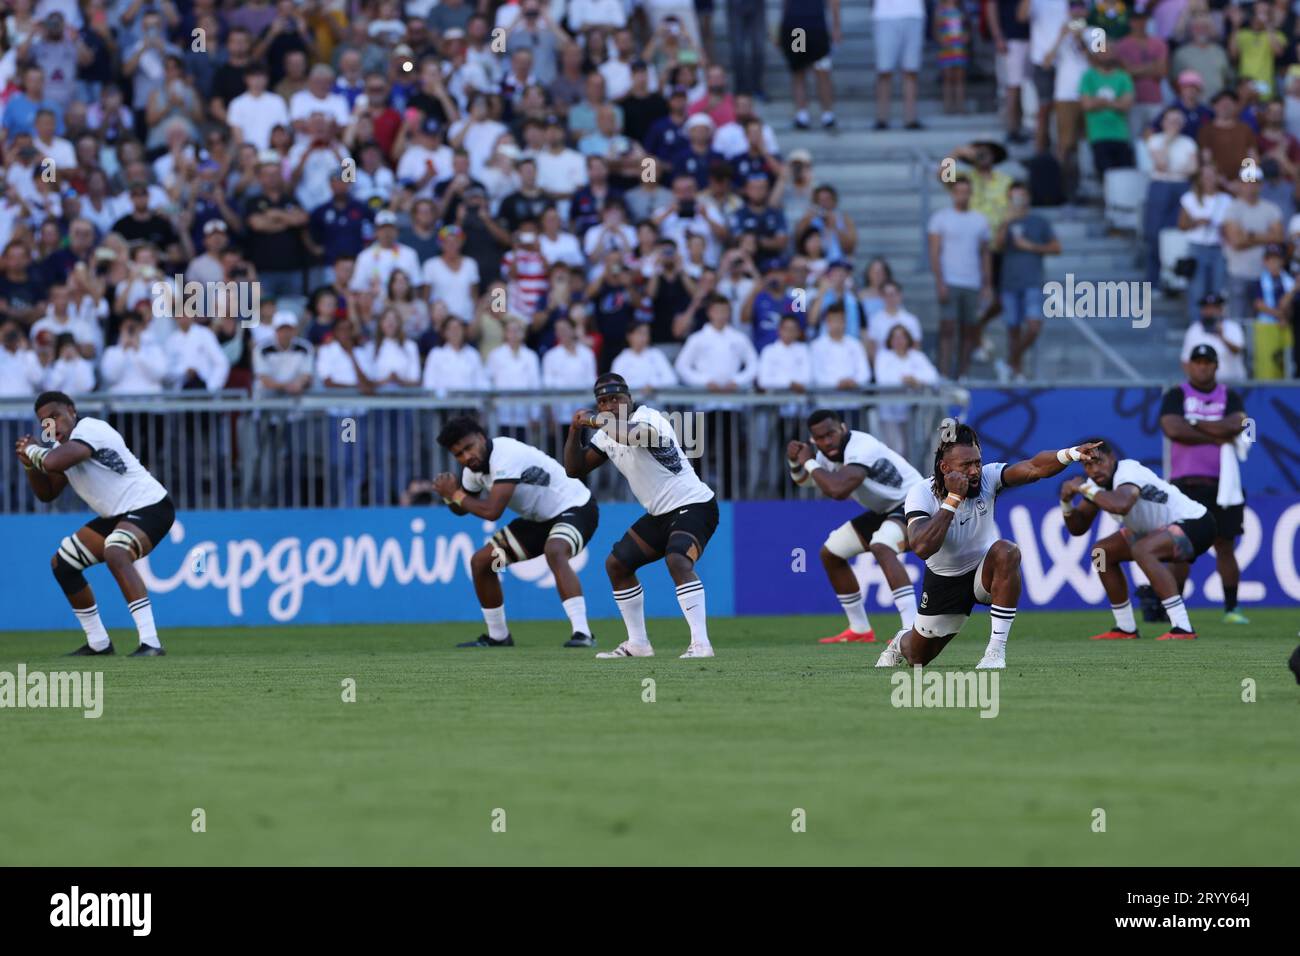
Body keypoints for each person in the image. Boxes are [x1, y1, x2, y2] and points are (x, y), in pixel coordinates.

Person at [874, 425, 1101, 669]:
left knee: (1007, 551)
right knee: (918, 657)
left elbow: (1035, 468)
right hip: (945, 581)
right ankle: (899, 641)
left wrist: (1072, 454)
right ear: (945, 468)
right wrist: (953, 500)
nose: (974, 471)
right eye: (966, 466)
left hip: (983, 573)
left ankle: (995, 653)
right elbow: (921, 547)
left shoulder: (988, 477)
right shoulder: (921, 493)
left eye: (977, 463)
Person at [564, 372, 720, 659]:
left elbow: (632, 435)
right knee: (617, 565)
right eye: (603, 401)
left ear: (630, 400)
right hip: (660, 513)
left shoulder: (650, 419)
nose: (610, 405)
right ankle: (638, 644)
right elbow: (574, 470)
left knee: (677, 559)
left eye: (616, 399)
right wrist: (575, 431)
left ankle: (701, 645)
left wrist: (594, 419)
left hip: (694, 505)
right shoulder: (606, 431)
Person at [16, 391, 174, 656]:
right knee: (63, 565)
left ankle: (151, 642)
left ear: (72, 410)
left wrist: (31, 450)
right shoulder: (60, 449)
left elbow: (54, 462)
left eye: (55, 416)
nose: (51, 425)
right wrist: (30, 466)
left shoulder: (91, 429)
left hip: (150, 506)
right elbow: (47, 493)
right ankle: (99, 643)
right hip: (117, 516)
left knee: (116, 551)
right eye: (45, 422)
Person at [431, 416, 601, 649]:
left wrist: (456, 494)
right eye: (458, 454)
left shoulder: (505, 454)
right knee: (482, 563)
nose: (466, 457)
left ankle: (583, 633)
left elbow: (492, 511)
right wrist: (448, 494)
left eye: (469, 447)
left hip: (576, 507)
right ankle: (498, 636)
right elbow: (462, 510)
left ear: (482, 438)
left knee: (555, 550)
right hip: (539, 520)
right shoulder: (473, 471)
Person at [786, 409, 924, 644]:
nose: (827, 442)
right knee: (831, 553)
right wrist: (794, 460)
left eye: (830, 434)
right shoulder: (825, 455)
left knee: (882, 545)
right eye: (820, 438)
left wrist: (807, 460)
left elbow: (838, 490)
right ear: (813, 439)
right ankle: (860, 629)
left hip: (917, 505)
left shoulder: (861, 446)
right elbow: (805, 480)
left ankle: (912, 630)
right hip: (887, 511)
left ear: (843, 428)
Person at [1062, 439, 1218, 641]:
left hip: (1196, 523)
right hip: (1155, 531)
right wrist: (1065, 503)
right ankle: (1125, 628)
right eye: (1088, 465)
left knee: (1143, 549)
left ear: (1111, 458)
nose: (1094, 469)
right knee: (1100, 553)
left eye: (1099, 462)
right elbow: (1077, 528)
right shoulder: (1094, 486)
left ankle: (1183, 628)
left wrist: (1085, 489)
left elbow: (1121, 505)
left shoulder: (1128, 471)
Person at [1159, 343, 1251, 625]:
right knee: (1180, 548)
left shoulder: (1231, 396)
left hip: (1224, 485)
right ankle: (1175, 610)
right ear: (1189, 365)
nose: (1202, 366)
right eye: (1197, 361)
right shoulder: (1176, 394)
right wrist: (1215, 432)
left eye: (1207, 362)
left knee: (1225, 545)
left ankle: (1232, 609)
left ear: (1215, 366)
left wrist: (1194, 423)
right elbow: (1173, 429)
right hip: (1185, 484)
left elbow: (1239, 425)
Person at [927, 176, 991, 378]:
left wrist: (986, 283)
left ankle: (962, 372)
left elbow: (985, 254)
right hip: (950, 280)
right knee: (947, 327)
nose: (962, 196)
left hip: (971, 281)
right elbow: (934, 252)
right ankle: (944, 372)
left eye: (966, 191)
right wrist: (940, 282)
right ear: (952, 194)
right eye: (958, 191)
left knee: (969, 329)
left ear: (971, 193)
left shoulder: (979, 220)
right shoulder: (940, 218)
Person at [995, 181, 1059, 379]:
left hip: (1032, 281)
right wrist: (1006, 221)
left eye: (1021, 196)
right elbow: (997, 246)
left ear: (1028, 198)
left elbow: (1056, 247)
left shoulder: (1039, 221)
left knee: (1033, 326)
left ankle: (1009, 362)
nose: (1018, 200)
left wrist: (1030, 246)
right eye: (1014, 197)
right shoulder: (1005, 221)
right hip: (1009, 282)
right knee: (1013, 329)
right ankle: (1017, 370)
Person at [1178, 163, 1233, 324]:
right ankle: (1197, 326)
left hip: (1218, 248)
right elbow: (1181, 225)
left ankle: (1217, 325)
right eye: (1205, 176)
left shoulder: (1226, 199)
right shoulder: (1190, 198)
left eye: (1211, 175)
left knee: (1217, 289)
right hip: (1197, 248)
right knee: (1197, 290)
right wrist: (1197, 222)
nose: (1208, 179)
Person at [778, 0, 839, 130]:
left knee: (822, 70)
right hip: (797, 25)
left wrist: (835, 26)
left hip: (815, 25)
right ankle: (802, 114)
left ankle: (827, 114)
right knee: (799, 71)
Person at [872, 0, 925, 130]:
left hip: (914, 13)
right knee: (884, 70)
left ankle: (910, 119)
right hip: (885, 15)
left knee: (911, 70)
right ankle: (882, 118)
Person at [1180, 293, 1247, 381]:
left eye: (1214, 308)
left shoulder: (1233, 327)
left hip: (1233, 383)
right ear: (1202, 310)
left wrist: (1222, 336)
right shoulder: (1193, 330)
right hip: (1204, 386)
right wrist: (1196, 383)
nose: (1210, 312)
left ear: (1221, 309)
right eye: (1207, 308)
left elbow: (1238, 351)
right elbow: (1185, 361)